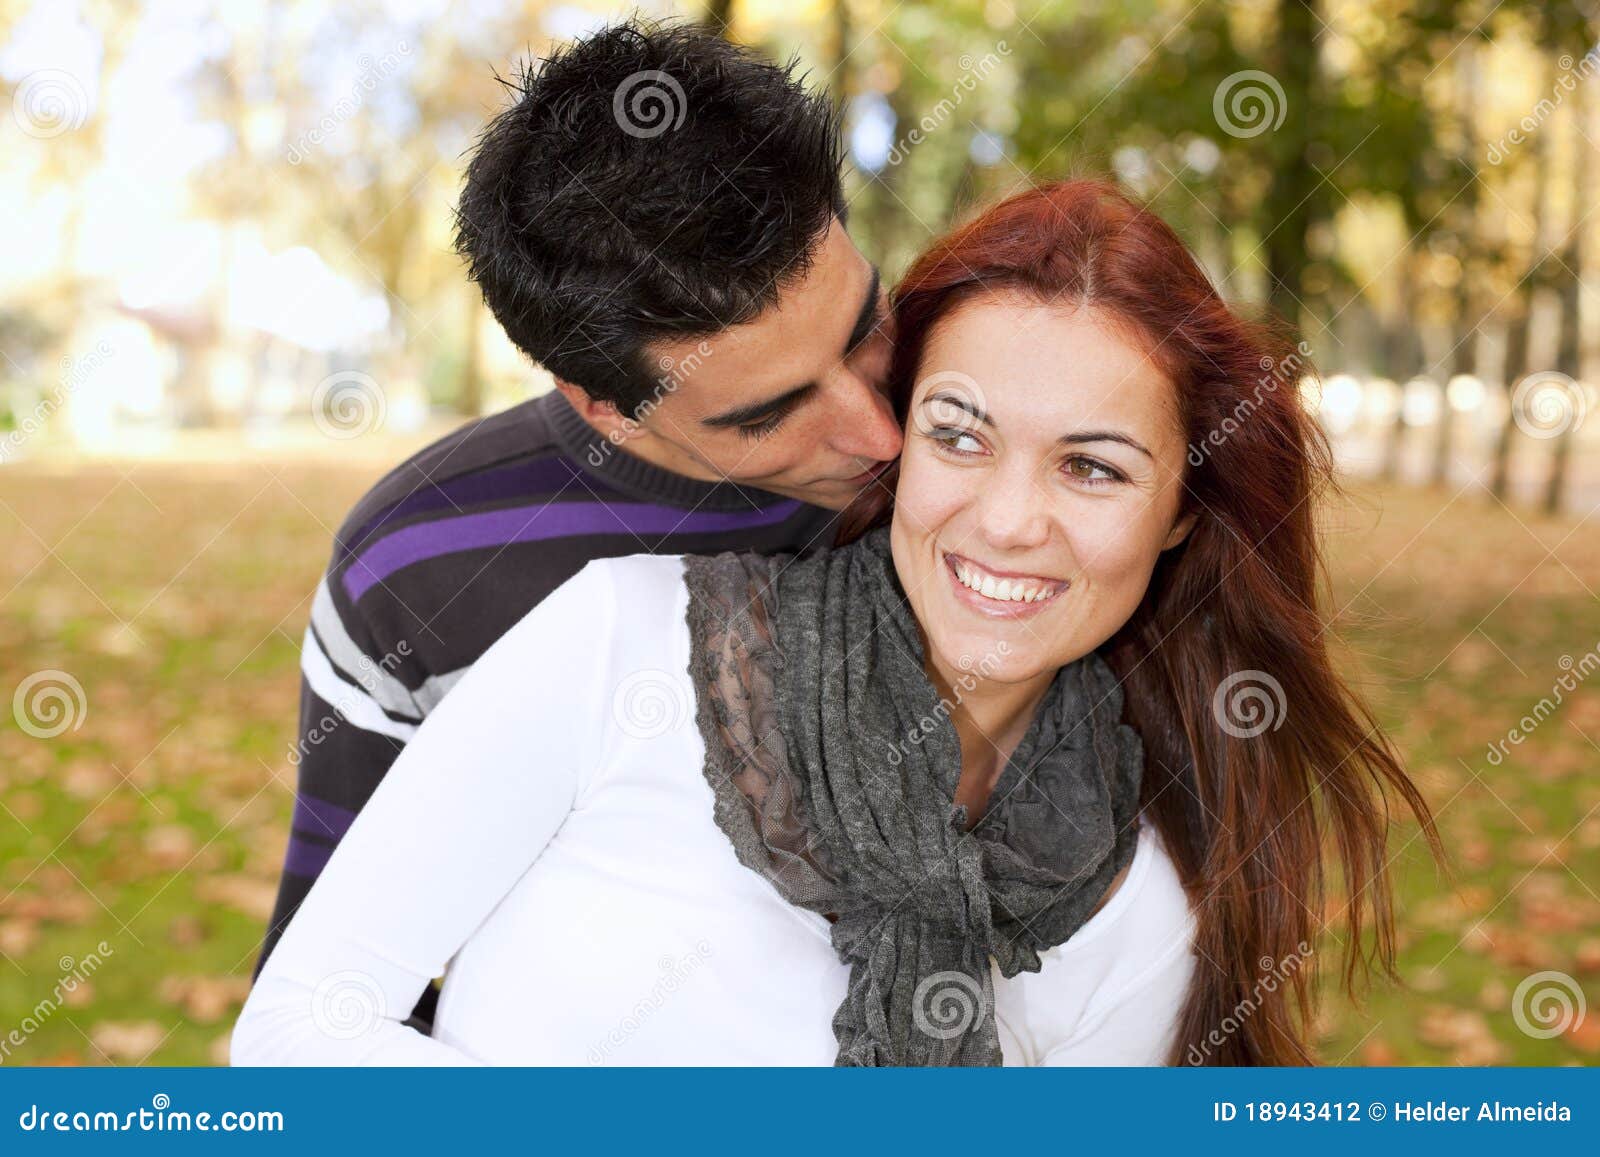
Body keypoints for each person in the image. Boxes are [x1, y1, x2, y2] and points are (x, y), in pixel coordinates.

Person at [232, 179, 1442, 1067]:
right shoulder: (615, 642)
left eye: (1093, 468)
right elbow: (299, 1031)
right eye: (960, 435)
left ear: (1182, 513)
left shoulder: (1142, 895)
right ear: (901, 440)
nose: (1008, 521)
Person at [252, 20, 902, 1032]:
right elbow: (335, 1003)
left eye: (865, 329)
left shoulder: (993, 460)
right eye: (768, 412)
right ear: (604, 401)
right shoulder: (416, 571)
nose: (882, 431)